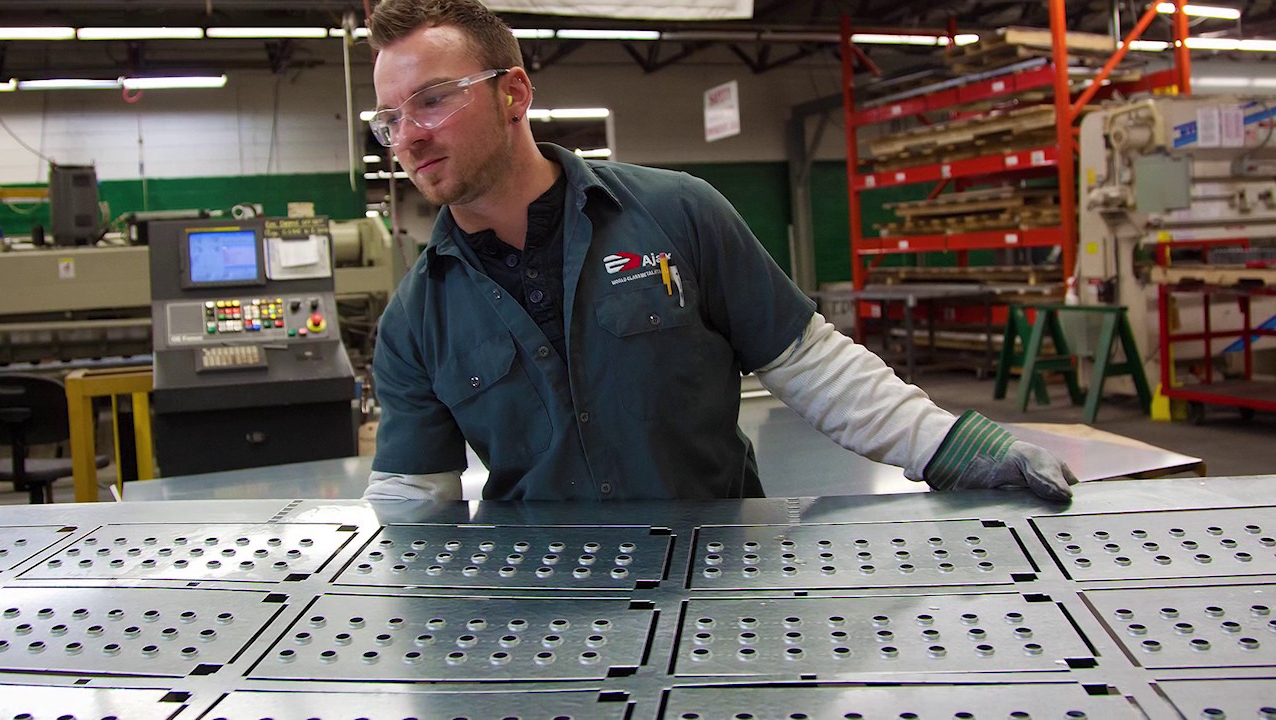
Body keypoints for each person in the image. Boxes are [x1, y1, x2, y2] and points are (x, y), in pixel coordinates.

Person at [363, 0, 1078, 504]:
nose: (407, 138)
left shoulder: (676, 213)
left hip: (724, 578)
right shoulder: (414, 318)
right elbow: (415, 501)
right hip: (549, 602)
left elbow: (810, 363)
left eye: (432, 100)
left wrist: (952, 447)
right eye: (389, 119)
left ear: (513, 92)